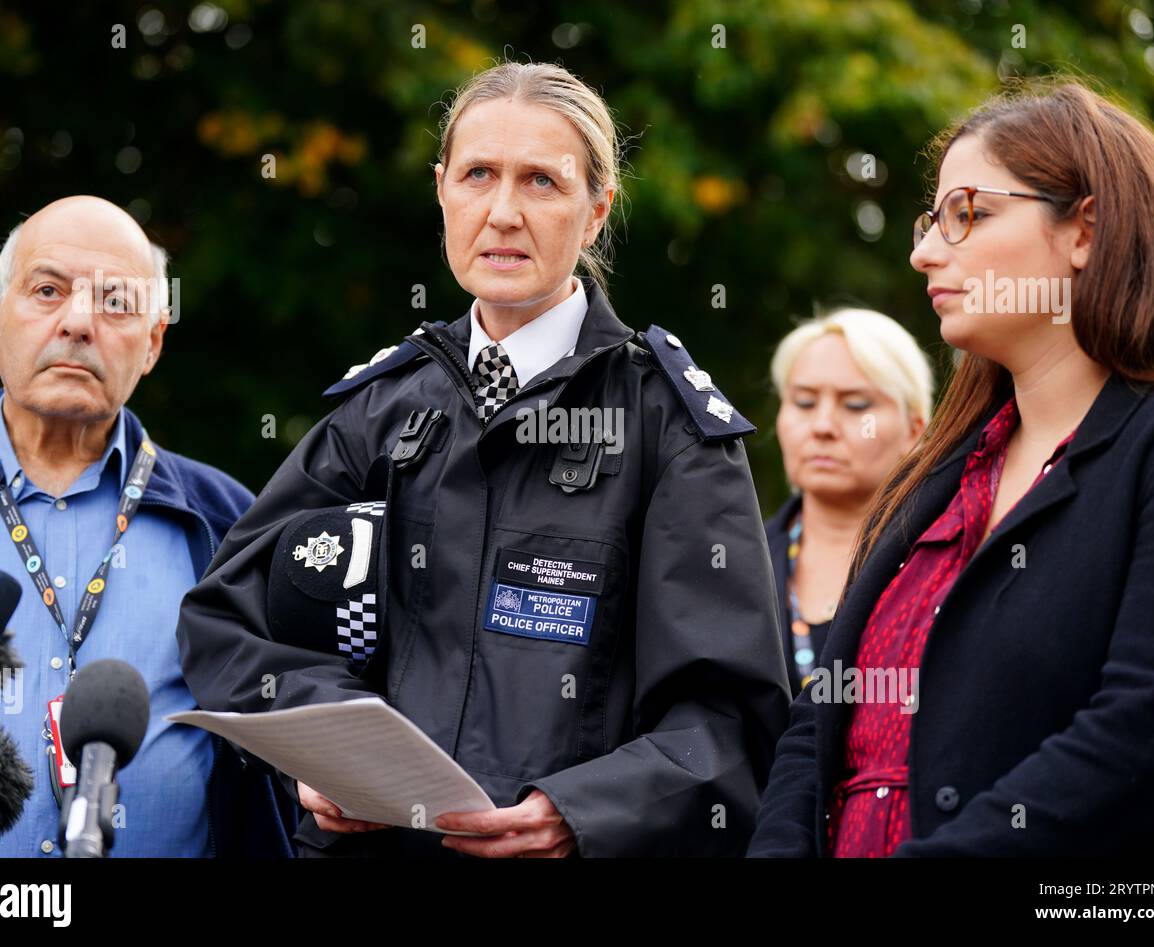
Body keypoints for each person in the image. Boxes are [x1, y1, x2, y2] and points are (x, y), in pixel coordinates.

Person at [176, 61, 790, 858]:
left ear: (597, 210)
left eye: (541, 181)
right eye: (478, 176)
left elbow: (730, 721)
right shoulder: (380, 408)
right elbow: (229, 620)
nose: (503, 212)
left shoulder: (668, 427)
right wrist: (326, 750)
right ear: (442, 191)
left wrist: (581, 812)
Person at [749, 80, 1154, 857]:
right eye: (932, 219)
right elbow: (816, 728)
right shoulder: (933, 481)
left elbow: (1147, 732)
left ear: (1085, 231)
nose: (925, 250)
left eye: (968, 213)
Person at [0, 196, 293, 857]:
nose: (80, 322)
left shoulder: (231, 520)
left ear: (152, 343)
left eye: (116, 301)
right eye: (48, 290)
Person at [764, 308, 930, 696]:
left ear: (914, 431)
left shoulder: (943, 557)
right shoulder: (734, 562)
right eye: (804, 403)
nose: (822, 426)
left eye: (856, 406)